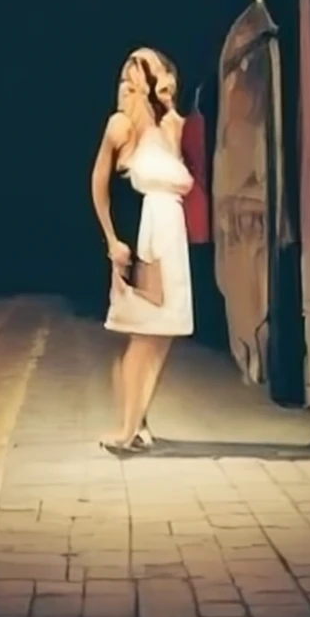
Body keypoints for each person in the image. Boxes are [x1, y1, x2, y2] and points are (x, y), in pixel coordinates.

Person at [91, 47, 194, 453]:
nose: (128, 87)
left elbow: (187, 171)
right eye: (126, 79)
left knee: (161, 336)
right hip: (144, 235)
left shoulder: (172, 127)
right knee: (142, 337)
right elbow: (98, 184)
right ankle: (126, 428)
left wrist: (170, 106)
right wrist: (112, 239)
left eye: (139, 77)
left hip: (173, 236)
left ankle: (139, 422)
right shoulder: (120, 126)